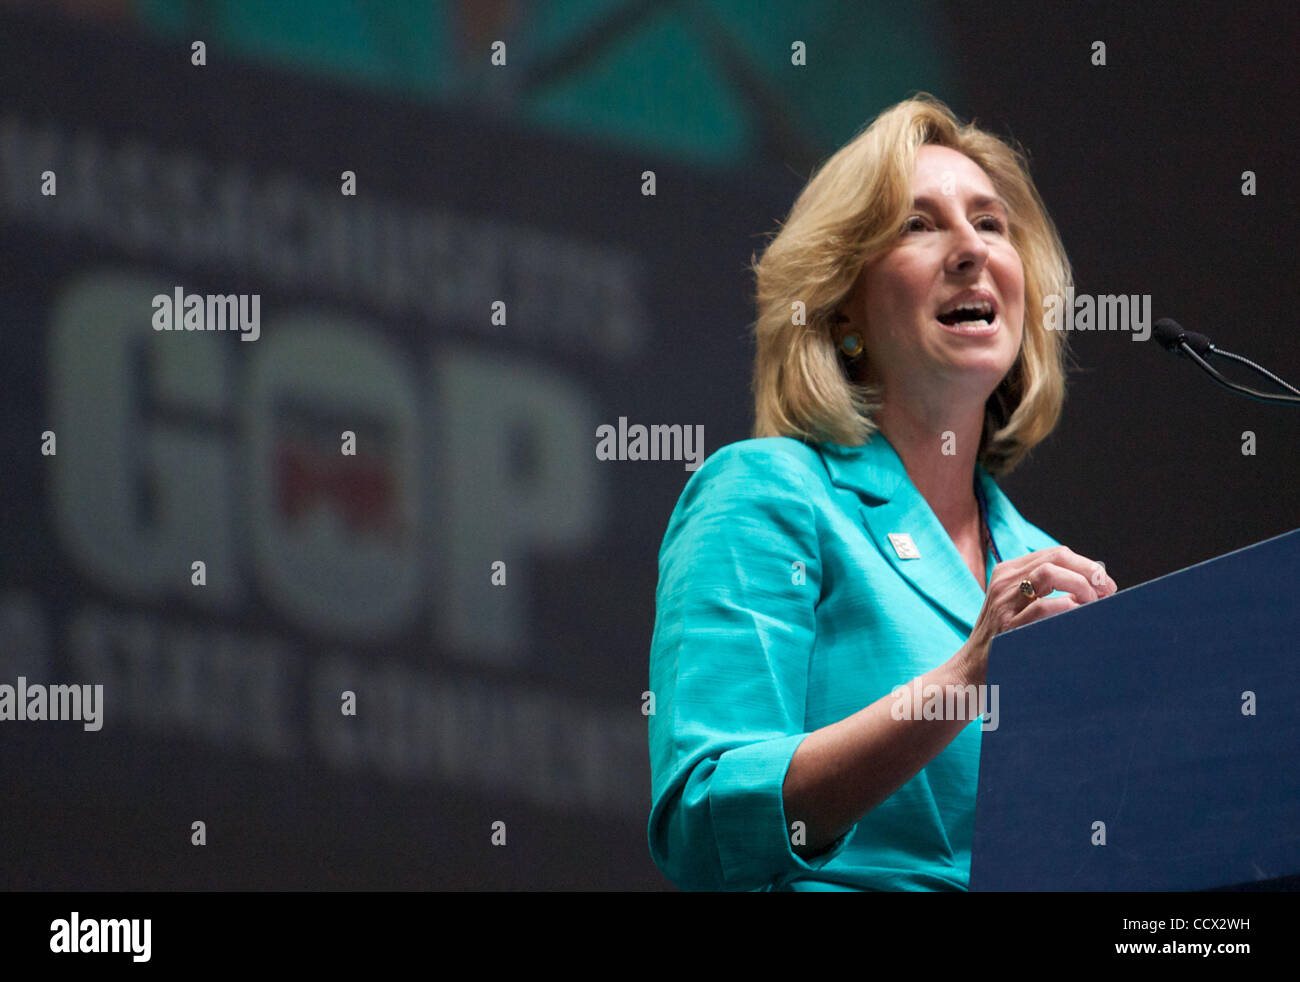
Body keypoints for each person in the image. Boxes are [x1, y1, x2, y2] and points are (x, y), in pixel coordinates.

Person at [646, 93, 1118, 891]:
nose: (970, 248)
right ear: (844, 314)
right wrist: (963, 683)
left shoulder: (1047, 570)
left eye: (991, 223)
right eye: (919, 224)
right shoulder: (765, 495)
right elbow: (706, 821)